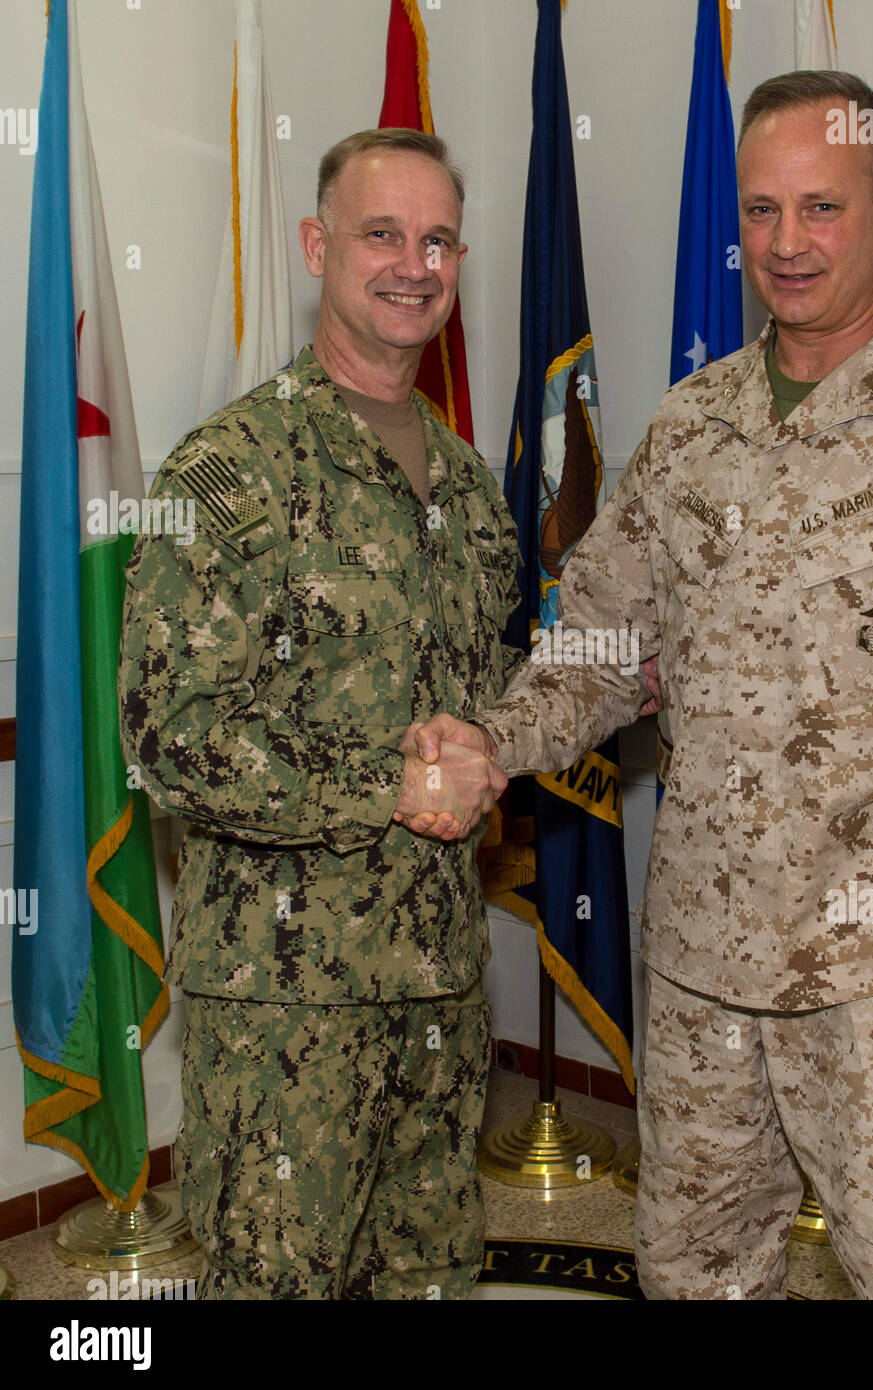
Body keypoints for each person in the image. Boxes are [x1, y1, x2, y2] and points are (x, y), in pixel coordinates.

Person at [402, 71, 873, 1299]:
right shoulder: (694, 428)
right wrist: (491, 742)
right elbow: (600, 638)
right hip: (703, 968)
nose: (787, 244)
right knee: (694, 1276)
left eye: (821, 208)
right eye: (761, 211)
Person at [118, 128, 518, 1299]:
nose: (414, 264)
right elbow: (170, 738)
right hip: (287, 1011)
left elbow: (484, 704)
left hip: (440, 986)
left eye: (437, 239)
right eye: (381, 234)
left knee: (429, 1279)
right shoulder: (228, 471)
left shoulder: (472, 495)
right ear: (317, 247)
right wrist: (383, 783)